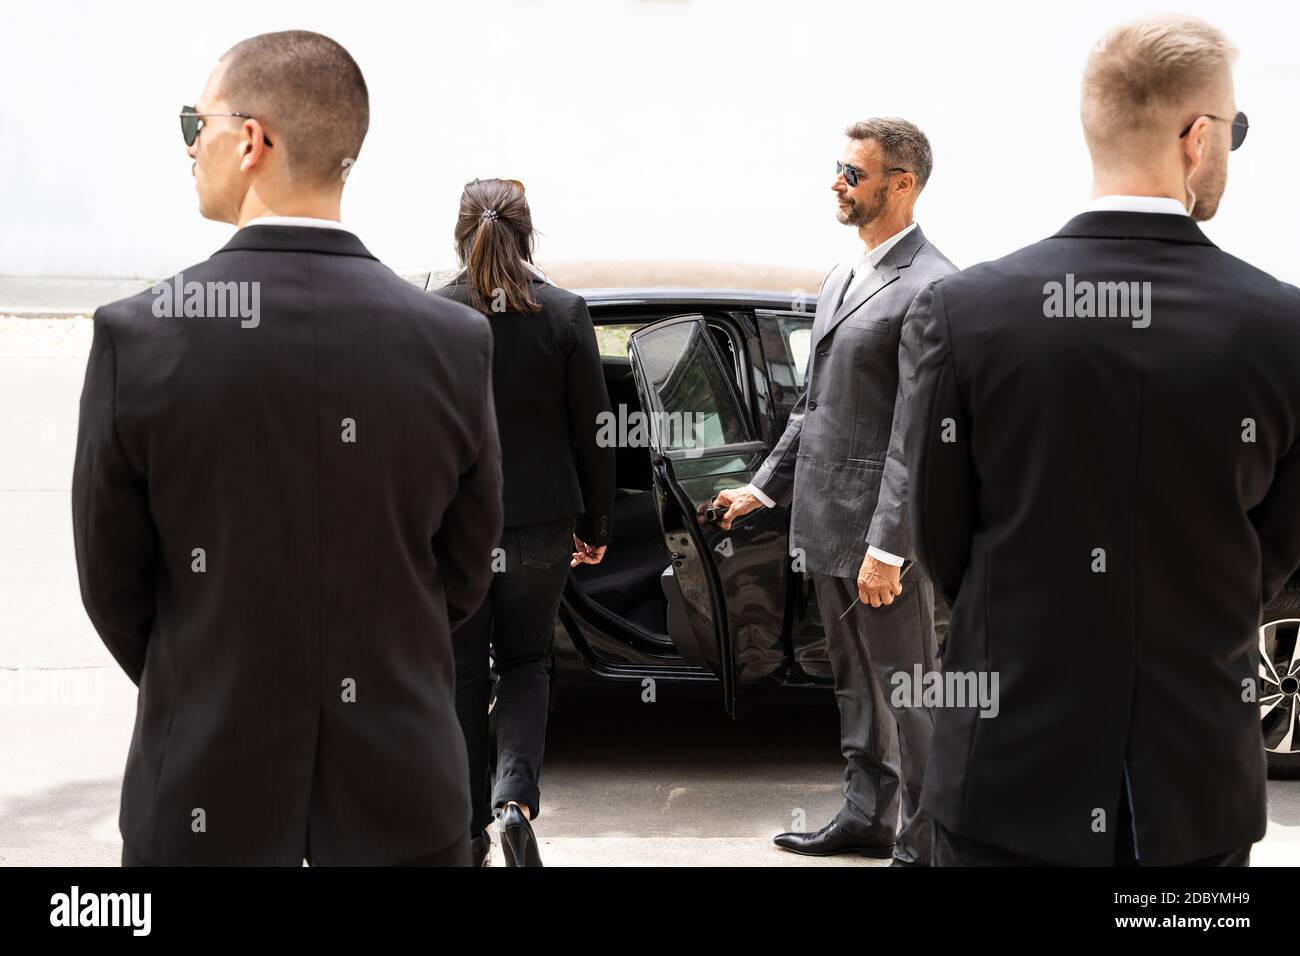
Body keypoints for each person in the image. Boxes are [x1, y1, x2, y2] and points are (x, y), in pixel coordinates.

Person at [71, 30, 502, 866]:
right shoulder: (453, 342)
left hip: (200, 793)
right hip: (404, 796)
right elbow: (466, 567)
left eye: (197, 120)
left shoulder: (140, 335)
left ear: (252, 139)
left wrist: (206, 680)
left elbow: (111, 584)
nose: (191, 143)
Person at [905, 14, 1300, 866]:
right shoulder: (1284, 325)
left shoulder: (969, 312)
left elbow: (940, 531)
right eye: (1235, 127)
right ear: (1197, 138)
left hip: (1007, 774)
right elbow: (1280, 546)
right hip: (1195, 792)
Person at [714, 119, 956, 866]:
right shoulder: (843, 274)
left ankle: (926, 842)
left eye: (854, 172)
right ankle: (866, 816)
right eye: (840, 169)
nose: (837, 183)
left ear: (902, 184)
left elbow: (916, 436)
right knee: (854, 687)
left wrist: (889, 548)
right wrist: (762, 489)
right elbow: (816, 407)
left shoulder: (932, 286)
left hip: (880, 542)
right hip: (824, 521)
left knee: (909, 696)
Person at [434, 179, 615, 867]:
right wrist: (597, 525)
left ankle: (466, 829)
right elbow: (595, 432)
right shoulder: (566, 314)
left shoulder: (438, 315)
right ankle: (515, 802)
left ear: (459, 235)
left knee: (463, 675)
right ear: (528, 233)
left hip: (457, 533)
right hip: (541, 525)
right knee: (526, 664)